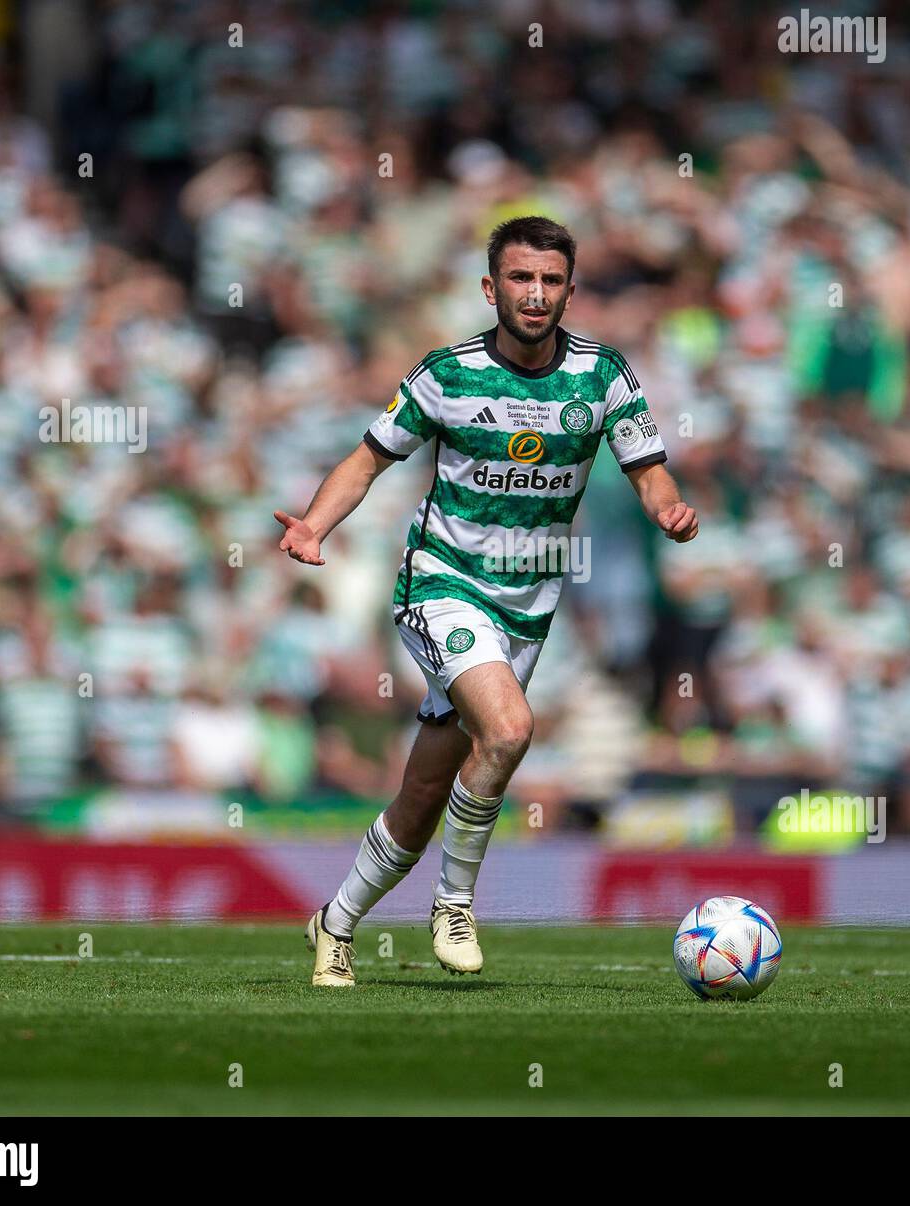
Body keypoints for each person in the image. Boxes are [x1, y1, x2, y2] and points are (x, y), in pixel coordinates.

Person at [274, 216, 699, 987]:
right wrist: (314, 523)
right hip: (443, 584)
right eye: (520, 278)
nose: (535, 294)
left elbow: (648, 467)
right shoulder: (450, 373)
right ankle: (455, 902)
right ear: (490, 287)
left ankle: (333, 925)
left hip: (527, 609)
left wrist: (666, 507)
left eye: (550, 281)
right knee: (508, 731)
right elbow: (366, 460)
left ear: (569, 290)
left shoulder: (602, 376)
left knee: (426, 792)